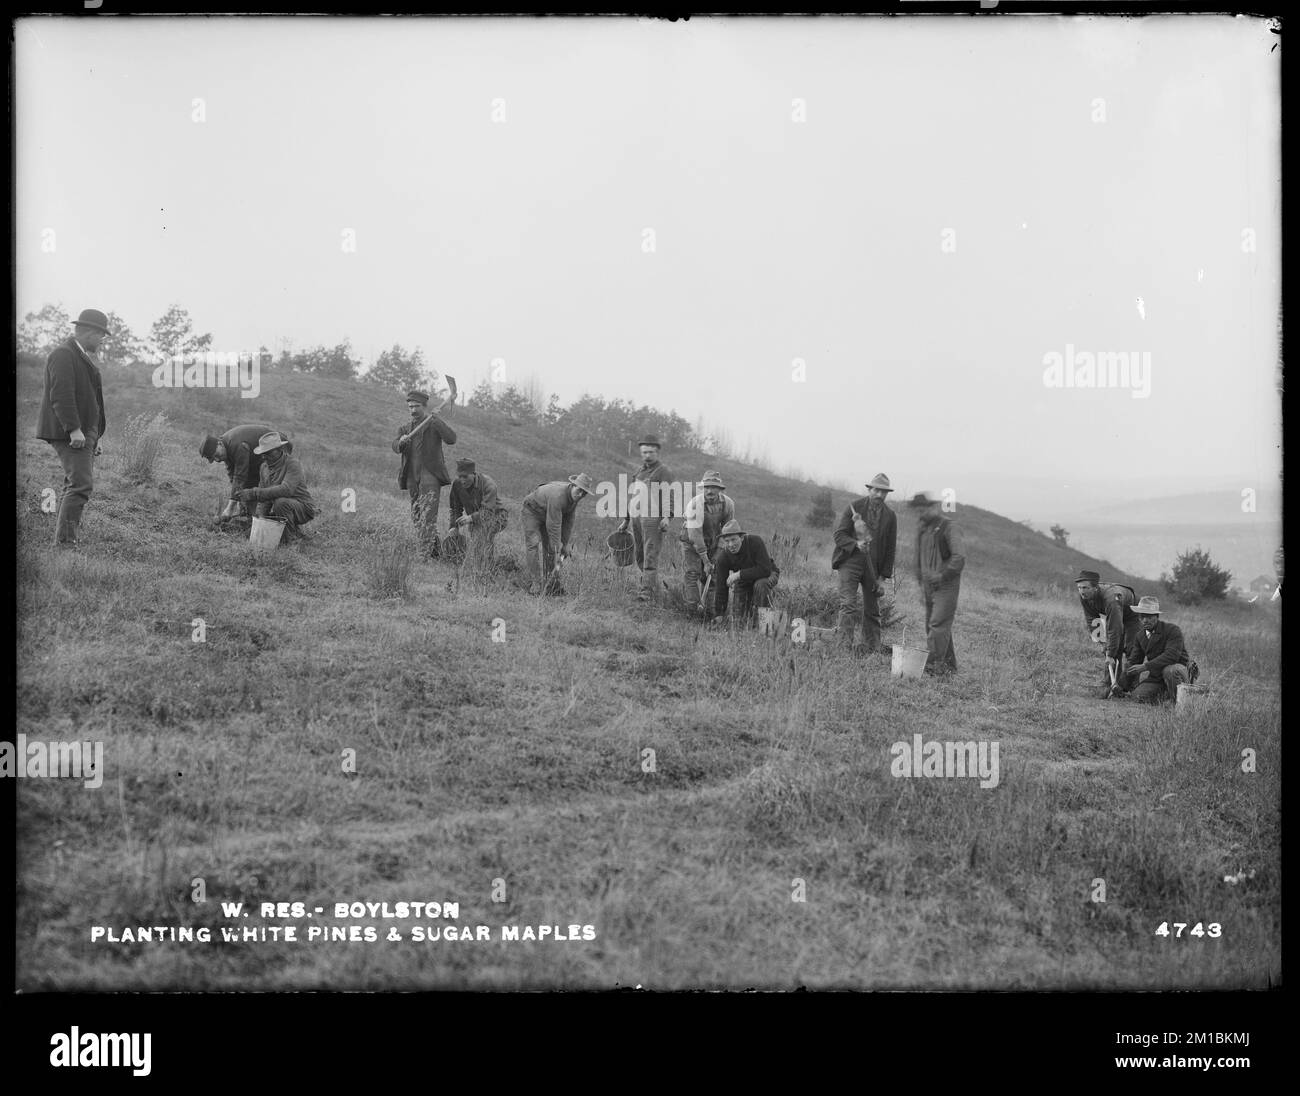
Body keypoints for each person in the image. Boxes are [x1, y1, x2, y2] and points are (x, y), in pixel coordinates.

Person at [36, 308, 110, 549]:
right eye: (101, 336)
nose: (102, 341)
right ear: (90, 332)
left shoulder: (80, 357)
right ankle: (65, 544)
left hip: (85, 431)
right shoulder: (63, 354)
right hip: (72, 432)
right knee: (80, 484)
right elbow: (61, 395)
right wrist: (74, 429)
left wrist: (95, 434)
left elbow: (91, 400)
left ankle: (66, 538)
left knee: (75, 483)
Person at [832, 473, 898, 653]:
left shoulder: (890, 516)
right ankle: (843, 648)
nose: (879, 495)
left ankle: (870, 648)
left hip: (873, 568)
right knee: (848, 605)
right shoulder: (854, 507)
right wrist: (856, 544)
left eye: (883, 492)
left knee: (872, 609)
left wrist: (883, 577)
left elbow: (891, 548)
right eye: (876, 490)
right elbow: (839, 535)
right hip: (850, 562)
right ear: (870, 490)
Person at [393, 389, 456, 557]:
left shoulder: (432, 422)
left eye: (417, 406)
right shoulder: (405, 428)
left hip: (430, 476)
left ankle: (424, 554)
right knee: (416, 515)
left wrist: (437, 420)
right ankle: (435, 551)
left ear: (425, 406)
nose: (413, 410)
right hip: (412, 477)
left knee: (428, 516)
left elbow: (452, 439)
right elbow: (395, 447)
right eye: (410, 407)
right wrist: (400, 442)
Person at [909, 492, 965, 675]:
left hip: (946, 585)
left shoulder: (950, 527)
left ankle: (933, 667)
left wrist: (943, 576)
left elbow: (959, 557)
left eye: (923, 509)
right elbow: (919, 559)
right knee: (933, 626)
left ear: (932, 508)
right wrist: (919, 584)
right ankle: (949, 667)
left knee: (937, 625)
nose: (920, 513)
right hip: (928, 587)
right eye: (917, 510)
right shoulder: (922, 529)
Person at [618, 434, 676, 602]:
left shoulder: (664, 471)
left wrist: (667, 517)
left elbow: (669, 496)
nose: (647, 455)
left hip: (652, 518)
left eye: (650, 452)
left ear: (657, 452)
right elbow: (633, 497)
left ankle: (646, 593)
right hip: (636, 517)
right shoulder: (639, 471)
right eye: (644, 452)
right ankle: (651, 587)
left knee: (650, 555)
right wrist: (626, 519)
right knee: (640, 555)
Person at [237, 432, 319, 544]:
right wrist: (260, 521)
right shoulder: (264, 467)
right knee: (266, 520)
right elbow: (264, 499)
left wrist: (254, 493)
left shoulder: (292, 464)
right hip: (282, 507)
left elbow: (286, 489)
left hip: (304, 508)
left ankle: (291, 540)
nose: (264, 456)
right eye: (263, 453)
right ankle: (293, 532)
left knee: (281, 503)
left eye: (268, 453)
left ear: (280, 449)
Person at [520, 474, 595, 595]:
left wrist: (564, 545)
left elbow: (568, 522)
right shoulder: (558, 496)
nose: (581, 495)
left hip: (546, 513)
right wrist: (558, 548)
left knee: (551, 548)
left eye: (584, 493)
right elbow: (553, 526)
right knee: (533, 543)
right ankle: (536, 584)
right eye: (579, 490)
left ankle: (551, 583)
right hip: (532, 511)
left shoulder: (574, 499)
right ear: (573, 485)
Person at [1074, 569, 1141, 697]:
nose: (1081, 591)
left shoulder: (1111, 598)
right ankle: (1109, 684)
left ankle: (1131, 687)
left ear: (1095, 588)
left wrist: (1110, 653)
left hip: (1133, 614)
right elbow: (1092, 621)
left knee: (1131, 650)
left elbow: (1115, 628)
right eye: (1079, 588)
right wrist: (1103, 643)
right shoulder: (1084, 597)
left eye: (1085, 588)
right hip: (1117, 615)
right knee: (1110, 648)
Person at [1122, 596, 1197, 703]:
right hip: (1158, 677)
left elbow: (1171, 656)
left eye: (1149, 617)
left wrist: (1145, 666)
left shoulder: (1172, 630)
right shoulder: (1140, 636)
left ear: (1156, 616)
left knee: (1170, 671)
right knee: (1137, 696)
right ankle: (1167, 696)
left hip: (1180, 672)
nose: (1144, 620)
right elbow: (1134, 661)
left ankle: (1180, 703)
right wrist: (1120, 685)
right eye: (1141, 617)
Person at [679, 470, 735, 611]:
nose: (709, 491)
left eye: (713, 487)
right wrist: (706, 561)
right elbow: (695, 535)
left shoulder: (728, 504)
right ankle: (692, 611)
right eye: (707, 487)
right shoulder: (694, 504)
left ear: (719, 489)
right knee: (692, 574)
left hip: (713, 542)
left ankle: (710, 612)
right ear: (703, 488)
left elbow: (727, 531)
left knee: (712, 576)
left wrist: (717, 555)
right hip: (691, 542)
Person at [200, 423, 277, 520]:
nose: (217, 460)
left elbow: (240, 476)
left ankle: (269, 518)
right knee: (246, 504)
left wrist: (230, 507)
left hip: (275, 447)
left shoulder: (237, 445)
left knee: (269, 486)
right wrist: (238, 498)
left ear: (219, 443)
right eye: (214, 459)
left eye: (216, 455)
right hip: (257, 458)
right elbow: (233, 476)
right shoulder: (225, 449)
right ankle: (251, 516)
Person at [713, 519, 780, 625]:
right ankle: (753, 620)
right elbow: (721, 587)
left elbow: (765, 570)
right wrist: (719, 614)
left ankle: (767, 625)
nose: (731, 544)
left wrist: (738, 574)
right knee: (740, 621)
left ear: (742, 537)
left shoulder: (755, 542)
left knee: (761, 585)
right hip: (744, 580)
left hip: (768, 573)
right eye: (727, 541)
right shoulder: (723, 558)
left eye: (734, 539)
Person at [449, 458, 508, 565]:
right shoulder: (457, 485)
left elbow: (487, 512)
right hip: (476, 517)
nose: (462, 480)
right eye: (459, 476)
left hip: (497, 516)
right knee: (477, 538)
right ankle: (484, 565)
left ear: (474, 474)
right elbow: (455, 508)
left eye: (465, 476)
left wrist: (471, 518)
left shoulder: (488, 484)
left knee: (482, 534)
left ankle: (483, 568)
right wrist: (454, 526)